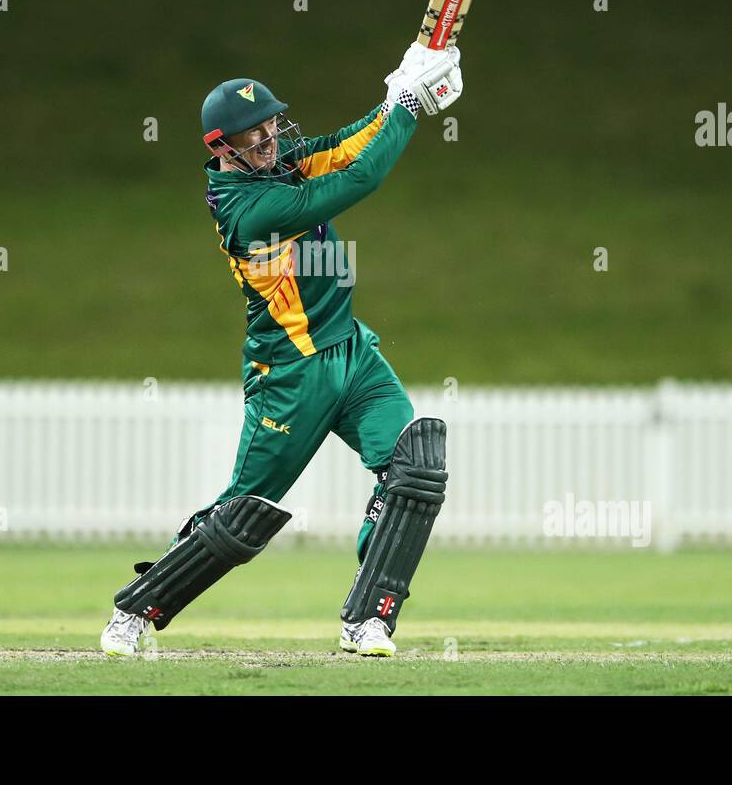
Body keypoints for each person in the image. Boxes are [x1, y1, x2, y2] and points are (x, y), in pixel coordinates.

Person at [100, 43, 462, 657]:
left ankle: (369, 618)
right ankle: (136, 610)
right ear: (221, 147)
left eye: (270, 124)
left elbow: (350, 143)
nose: (269, 137)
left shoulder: (279, 166)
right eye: (253, 134)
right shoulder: (251, 210)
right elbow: (358, 177)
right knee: (244, 516)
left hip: (352, 351)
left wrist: (406, 89)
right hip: (290, 374)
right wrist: (404, 105)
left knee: (418, 466)